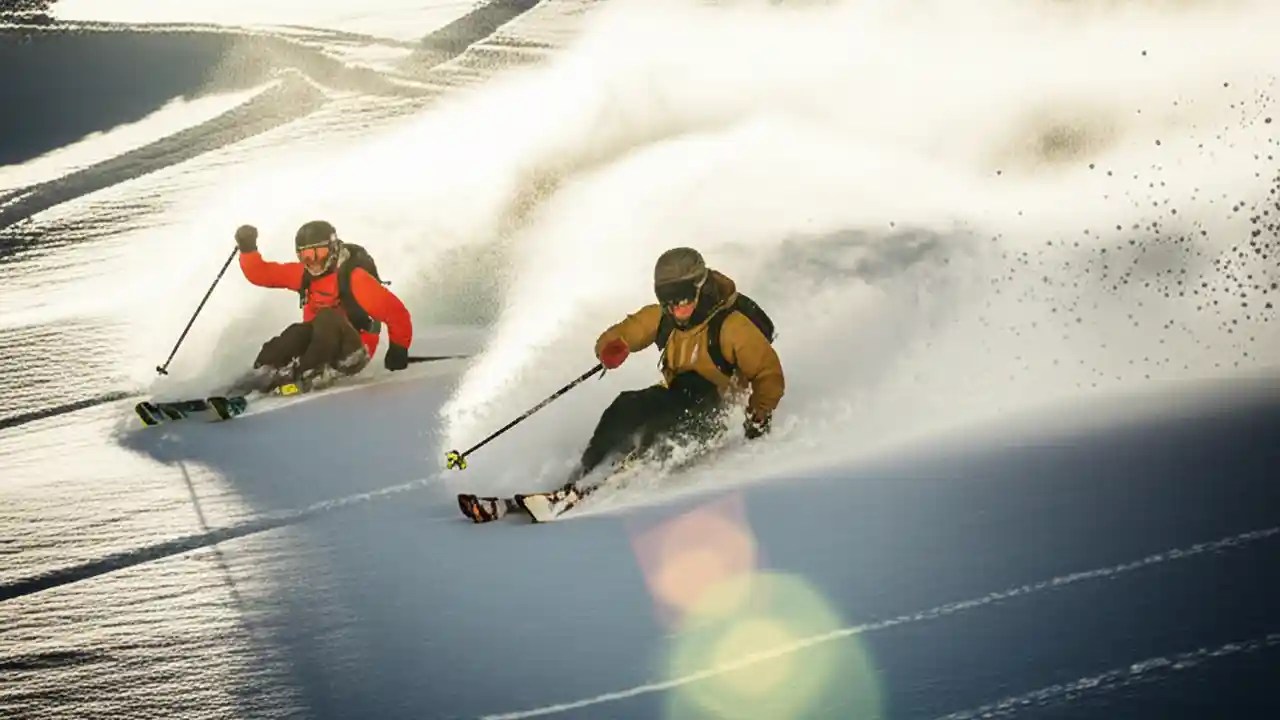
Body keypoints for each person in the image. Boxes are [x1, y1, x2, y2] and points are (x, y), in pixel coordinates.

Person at [230, 220, 413, 393]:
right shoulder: (304, 275)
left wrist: (398, 349)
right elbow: (263, 274)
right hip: (321, 346)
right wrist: (248, 248)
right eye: (307, 256)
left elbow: (396, 313)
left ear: (333, 249)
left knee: (327, 317)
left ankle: (308, 371)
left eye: (320, 253)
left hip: (353, 351)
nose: (314, 261)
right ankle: (262, 371)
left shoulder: (355, 278)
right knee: (296, 332)